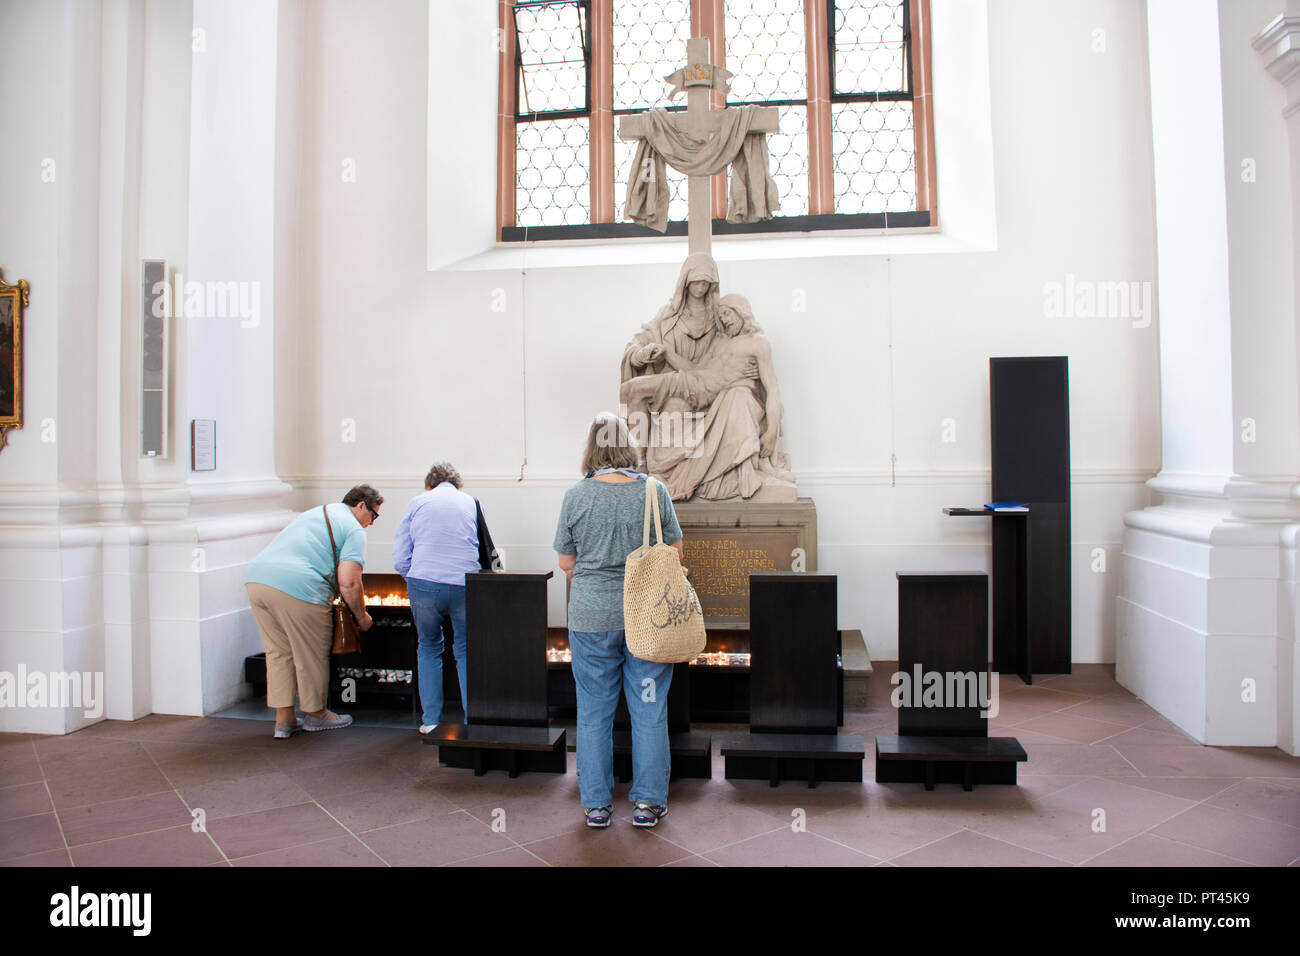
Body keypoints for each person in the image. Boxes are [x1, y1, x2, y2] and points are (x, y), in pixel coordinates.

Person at [553, 413, 682, 829]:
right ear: (628, 445)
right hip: (647, 617)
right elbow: (676, 554)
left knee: (593, 712)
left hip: (592, 618)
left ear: (591, 447)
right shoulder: (653, 491)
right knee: (648, 708)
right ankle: (647, 803)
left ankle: (596, 804)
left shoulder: (575, 496)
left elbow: (565, 562)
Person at [244, 484, 382, 738]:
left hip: (257, 581)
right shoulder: (352, 528)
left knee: (278, 653)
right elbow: (349, 582)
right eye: (373, 515)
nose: (371, 523)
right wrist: (362, 618)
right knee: (311, 655)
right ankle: (317, 715)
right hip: (300, 588)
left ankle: (284, 720)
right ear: (361, 505)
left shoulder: (316, 512)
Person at [393, 461, 497, 735]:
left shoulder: (417, 502)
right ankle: (471, 720)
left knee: (428, 647)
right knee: (464, 650)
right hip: (464, 583)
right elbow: (483, 543)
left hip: (424, 583)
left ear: (430, 483)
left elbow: (400, 556)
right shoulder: (471, 502)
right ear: (457, 483)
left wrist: (413, 577)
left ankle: (430, 721)